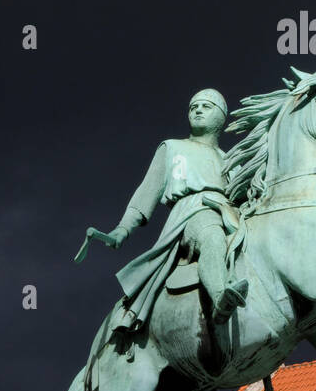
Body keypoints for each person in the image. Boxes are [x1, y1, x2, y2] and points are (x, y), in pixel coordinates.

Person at [81, 88, 247, 338]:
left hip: (230, 215)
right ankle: (221, 298)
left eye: (205, 106)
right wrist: (122, 230)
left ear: (221, 117)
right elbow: (147, 192)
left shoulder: (231, 160)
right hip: (193, 212)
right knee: (211, 234)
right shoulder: (172, 148)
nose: (198, 110)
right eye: (193, 107)